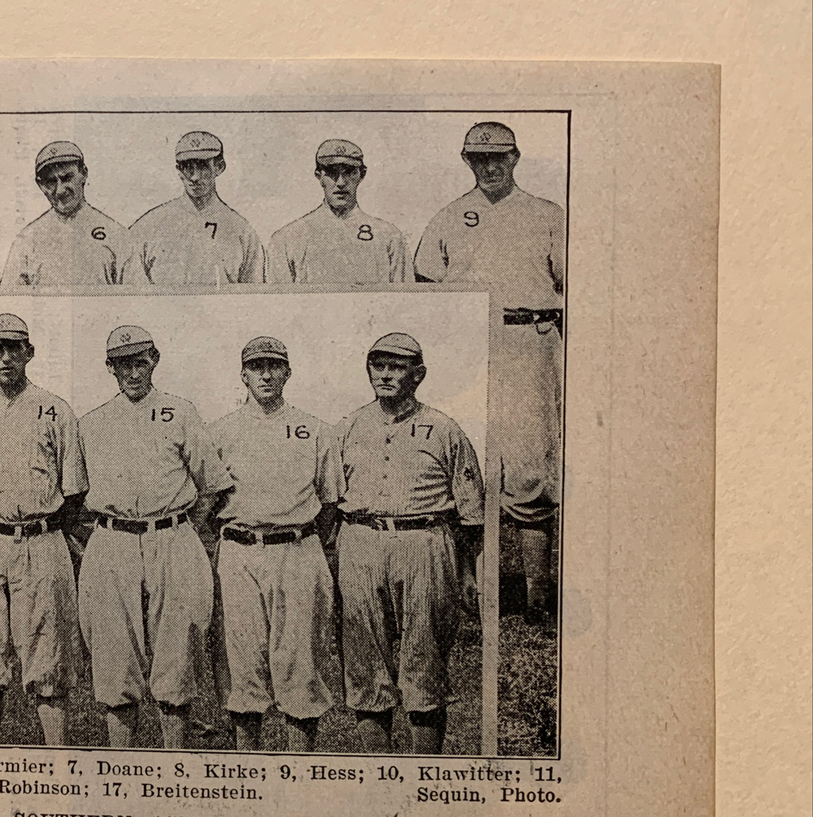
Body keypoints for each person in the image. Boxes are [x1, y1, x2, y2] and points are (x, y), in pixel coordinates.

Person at [413, 121, 564, 621]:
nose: (490, 166)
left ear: (516, 157)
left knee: (530, 463)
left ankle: (539, 596)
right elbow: (426, 287)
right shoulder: (450, 216)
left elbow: (573, 285)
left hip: (530, 339)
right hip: (471, 344)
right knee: (466, 461)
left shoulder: (547, 214)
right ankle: (469, 590)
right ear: (467, 161)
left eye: (499, 156)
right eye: (479, 158)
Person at [76, 325, 233, 748]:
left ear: (155, 361)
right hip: (113, 539)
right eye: (123, 364)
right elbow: (73, 494)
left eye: (140, 363)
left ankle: (173, 761)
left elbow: (211, 485)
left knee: (177, 653)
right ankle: (124, 764)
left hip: (172, 535)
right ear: (110, 367)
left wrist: (186, 528)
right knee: (114, 655)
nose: (132, 373)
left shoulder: (180, 412)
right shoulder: (91, 422)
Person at [329, 333, 484, 756]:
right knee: (364, 660)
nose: (385, 375)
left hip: (424, 543)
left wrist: (470, 572)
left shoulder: (444, 429)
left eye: (396, 367)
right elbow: (328, 500)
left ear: (418, 374)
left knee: (424, 658)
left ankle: (423, 771)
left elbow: (472, 513)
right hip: (361, 541)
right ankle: (378, 770)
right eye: (377, 366)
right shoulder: (348, 427)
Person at [0, 314, 88, 745]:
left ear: (29, 352)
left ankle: (57, 761)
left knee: (48, 657)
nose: (6, 357)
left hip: (41, 538)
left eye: (14, 348)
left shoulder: (55, 410)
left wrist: (46, 527)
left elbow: (74, 490)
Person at [208, 337, 343, 752]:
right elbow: (205, 501)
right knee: (242, 663)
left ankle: (297, 772)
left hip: (297, 550)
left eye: (274, 366)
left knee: (299, 661)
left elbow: (330, 502)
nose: (265, 375)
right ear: (243, 375)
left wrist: (299, 533)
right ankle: (248, 767)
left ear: (288, 372)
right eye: (256, 367)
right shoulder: (220, 431)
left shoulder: (314, 429)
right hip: (239, 550)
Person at [122, 131, 265, 284]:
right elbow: (131, 291)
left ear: (219, 167)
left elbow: (254, 295)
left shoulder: (242, 231)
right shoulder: (148, 226)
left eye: (203, 166)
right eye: (187, 167)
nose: (194, 177)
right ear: (178, 170)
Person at [270, 139, 410, 283]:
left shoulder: (388, 237)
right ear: (319, 176)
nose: (341, 183)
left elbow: (407, 295)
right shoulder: (288, 238)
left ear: (362, 175)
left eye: (349, 172)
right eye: (332, 173)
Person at [1, 141, 129, 285]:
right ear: (40, 185)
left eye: (67, 178)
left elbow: (138, 295)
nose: (60, 190)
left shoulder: (115, 234)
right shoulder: (27, 240)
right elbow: (9, 296)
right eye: (51, 182)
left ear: (83, 173)